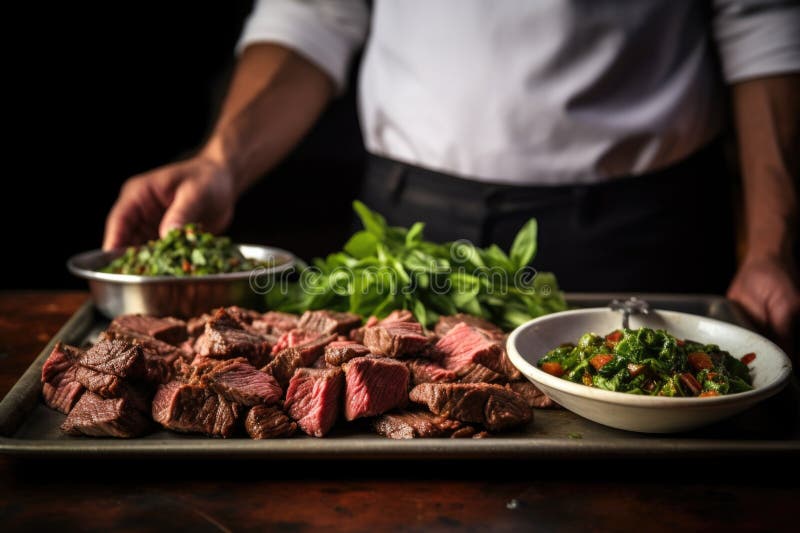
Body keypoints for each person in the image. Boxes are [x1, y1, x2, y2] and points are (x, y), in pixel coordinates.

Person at [103, 0, 799, 354]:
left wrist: (771, 247)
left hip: (641, 230)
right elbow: (315, 13)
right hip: (405, 235)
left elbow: (763, 21)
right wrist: (220, 162)